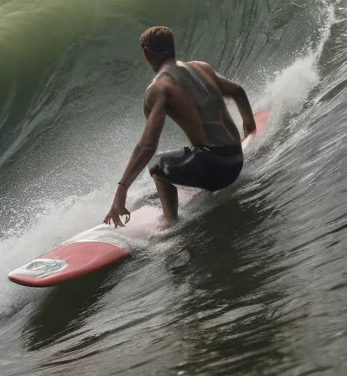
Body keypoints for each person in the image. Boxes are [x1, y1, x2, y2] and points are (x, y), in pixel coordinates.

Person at [104, 26, 256, 227]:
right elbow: (237, 92)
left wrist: (121, 189)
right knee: (194, 150)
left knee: (156, 165)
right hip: (236, 160)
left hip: (216, 172)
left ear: (146, 54)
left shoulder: (159, 87)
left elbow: (147, 147)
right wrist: (249, 125)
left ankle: (171, 224)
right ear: (172, 48)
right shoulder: (202, 67)